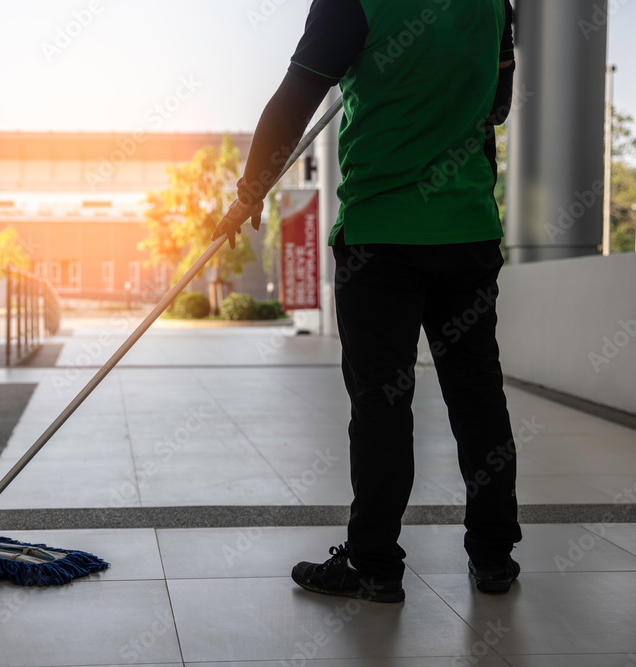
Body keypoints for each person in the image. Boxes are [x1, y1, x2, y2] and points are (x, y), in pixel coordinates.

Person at [213, 0, 521, 601]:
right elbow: (498, 105)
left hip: (381, 237)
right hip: (467, 228)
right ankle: (493, 557)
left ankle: (374, 564)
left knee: (382, 403)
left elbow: (296, 98)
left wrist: (250, 191)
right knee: (478, 394)